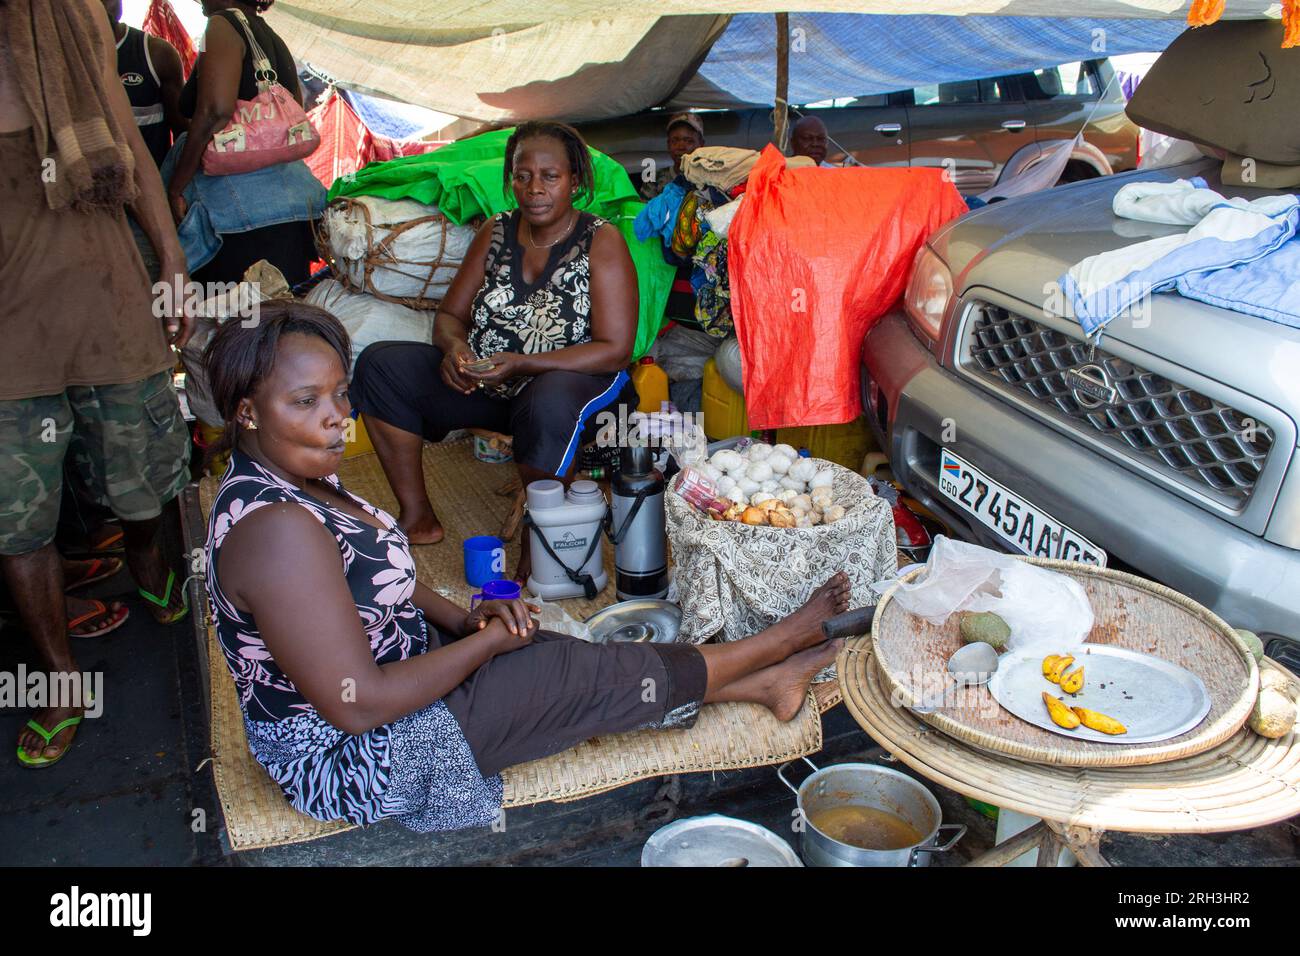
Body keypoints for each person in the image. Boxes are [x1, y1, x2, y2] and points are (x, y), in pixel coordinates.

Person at [203, 303, 848, 831]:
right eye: (306, 401)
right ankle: (778, 643)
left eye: (340, 395)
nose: (336, 419)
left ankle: (759, 683)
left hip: (392, 666)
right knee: (559, 669)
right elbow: (359, 706)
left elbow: (382, 579)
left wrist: (466, 617)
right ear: (248, 412)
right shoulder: (275, 531)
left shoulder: (302, 476)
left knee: (557, 655)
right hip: (357, 757)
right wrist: (481, 646)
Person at [0, 0, 194, 767]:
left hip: (102, 279)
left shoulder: (69, 13)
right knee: (15, 515)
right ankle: (58, 677)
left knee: (143, 476)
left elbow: (134, 153)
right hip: (7, 319)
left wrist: (172, 262)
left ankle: (146, 562)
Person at [351, 121, 638, 560]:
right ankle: (417, 518)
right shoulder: (497, 231)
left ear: (574, 181)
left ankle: (540, 543)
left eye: (550, 176)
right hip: (495, 383)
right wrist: (456, 351)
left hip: (581, 390)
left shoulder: (602, 241)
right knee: (380, 365)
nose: (534, 188)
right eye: (522, 176)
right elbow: (450, 315)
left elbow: (615, 349)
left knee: (549, 396)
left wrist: (523, 363)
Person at [164, 0, 325, 286]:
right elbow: (292, 114)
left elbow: (215, 111)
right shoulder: (272, 37)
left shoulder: (221, 24)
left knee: (236, 320)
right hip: (294, 209)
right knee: (280, 316)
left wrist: (176, 187)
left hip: (238, 216)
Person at [639, 111, 704, 201]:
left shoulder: (711, 179)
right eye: (675, 141)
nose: (681, 147)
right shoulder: (654, 179)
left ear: (701, 144)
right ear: (668, 144)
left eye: (688, 141)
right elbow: (644, 212)